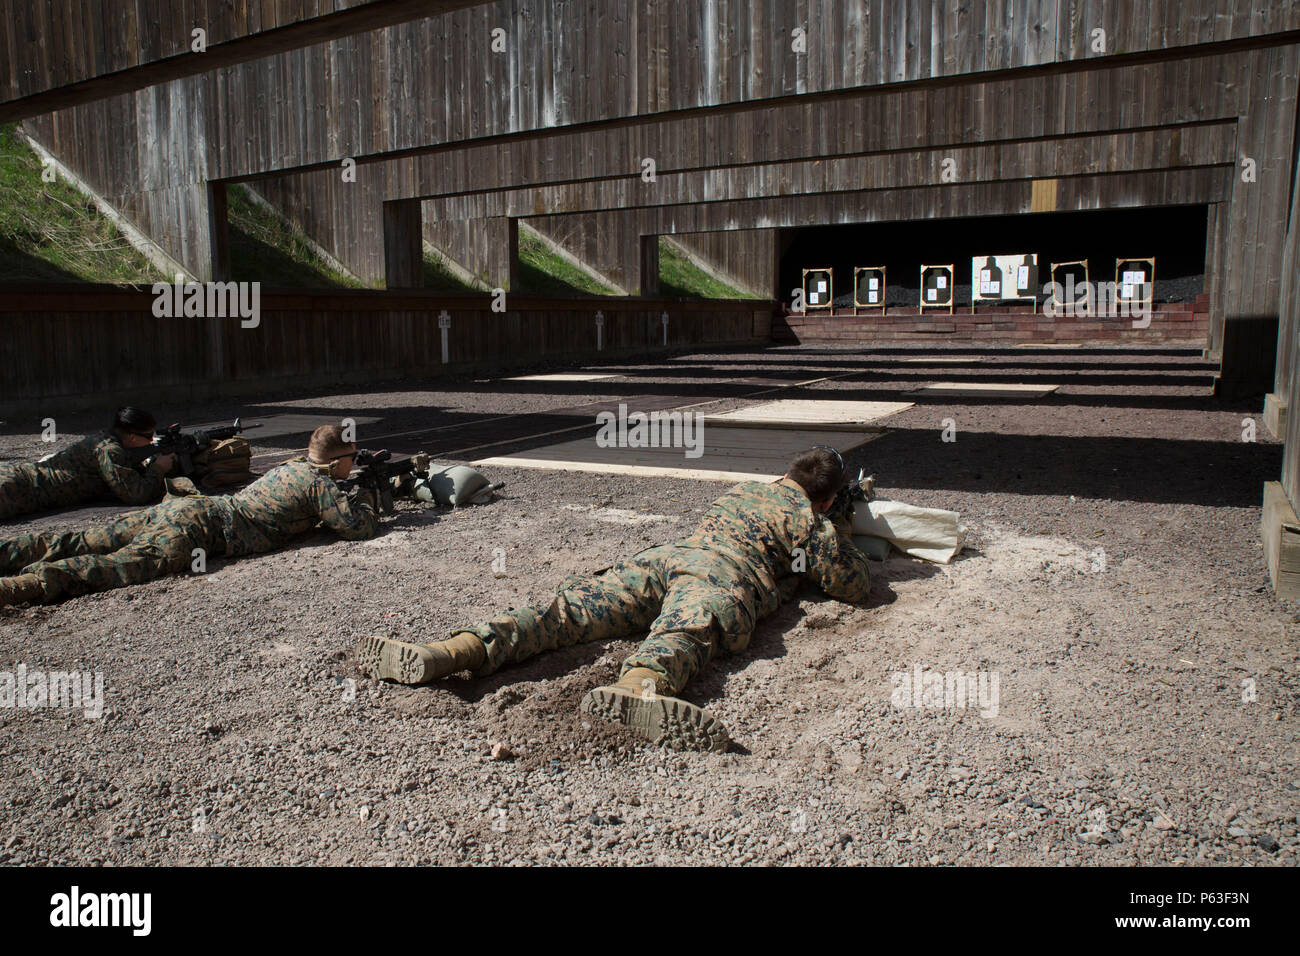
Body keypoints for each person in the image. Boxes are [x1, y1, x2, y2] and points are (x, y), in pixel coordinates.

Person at [356, 446, 873, 752]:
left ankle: (449, 652)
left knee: (567, 610)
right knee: (688, 629)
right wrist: (836, 528)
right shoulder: (809, 518)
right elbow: (853, 586)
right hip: (722, 572)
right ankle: (637, 687)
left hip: (664, 557)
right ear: (824, 497)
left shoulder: (744, 491)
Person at [0, 425, 379, 606]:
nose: (353, 464)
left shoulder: (292, 466)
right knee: (123, 565)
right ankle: (26, 586)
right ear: (336, 460)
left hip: (186, 505)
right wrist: (366, 497)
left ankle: (9, 553)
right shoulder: (320, 485)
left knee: (83, 539)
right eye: (351, 458)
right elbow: (355, 528)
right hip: (200, 527)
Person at [0, 406, 174, 521]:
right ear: (132, 437)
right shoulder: (109, 450)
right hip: (20, 489)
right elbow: (136, 495)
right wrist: (158, 468)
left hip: (19, 476)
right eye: (149, 436)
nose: (152, 441)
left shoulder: (105, 440)